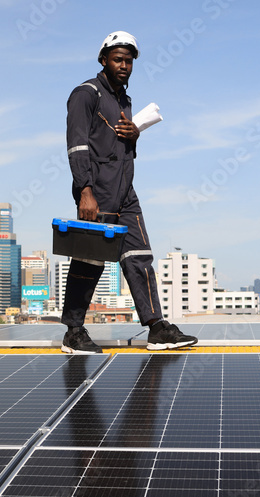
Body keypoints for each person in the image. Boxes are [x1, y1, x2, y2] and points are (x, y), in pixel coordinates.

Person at [61, 31, 198, 353]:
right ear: (103, 60)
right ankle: (73, 331)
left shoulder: (123, 100)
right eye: (118, 59)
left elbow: (120, 147)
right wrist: (85, 191)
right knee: (89, 261)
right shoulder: (85, 94)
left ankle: (156, 327)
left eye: (129, 60)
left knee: (139, 258)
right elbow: (77, 146)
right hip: (97, 189)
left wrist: (135, 133)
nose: (124, 65)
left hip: (125, 191)